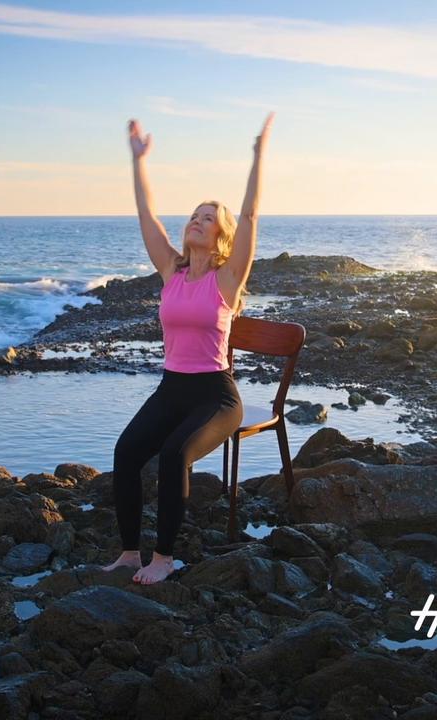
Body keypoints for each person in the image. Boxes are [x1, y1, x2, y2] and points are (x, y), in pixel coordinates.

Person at [102, 112, 274, 585]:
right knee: (127, 452)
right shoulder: (171, 271)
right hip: (171, 388)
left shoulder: (227, 278)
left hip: (215, 396)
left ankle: (164, 557)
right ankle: (129, 552)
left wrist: (258, 159)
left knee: (175, 453)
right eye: (194, 216)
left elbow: (251, 215)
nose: (197, 222)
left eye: (208, 219)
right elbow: (145, 216)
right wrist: (138, 161)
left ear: (221, 235)